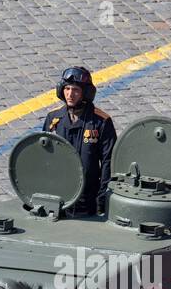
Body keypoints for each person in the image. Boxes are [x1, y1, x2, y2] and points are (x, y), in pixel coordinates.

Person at [41, 66, 116, 215]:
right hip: (58, 198)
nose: (70, 94)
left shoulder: (101, 122)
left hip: (88, 200)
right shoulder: (53, 119)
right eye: (67, 89)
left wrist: (102, 198)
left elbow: (109, 162)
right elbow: (44, 158)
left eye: (75, 90)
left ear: (85, 93)